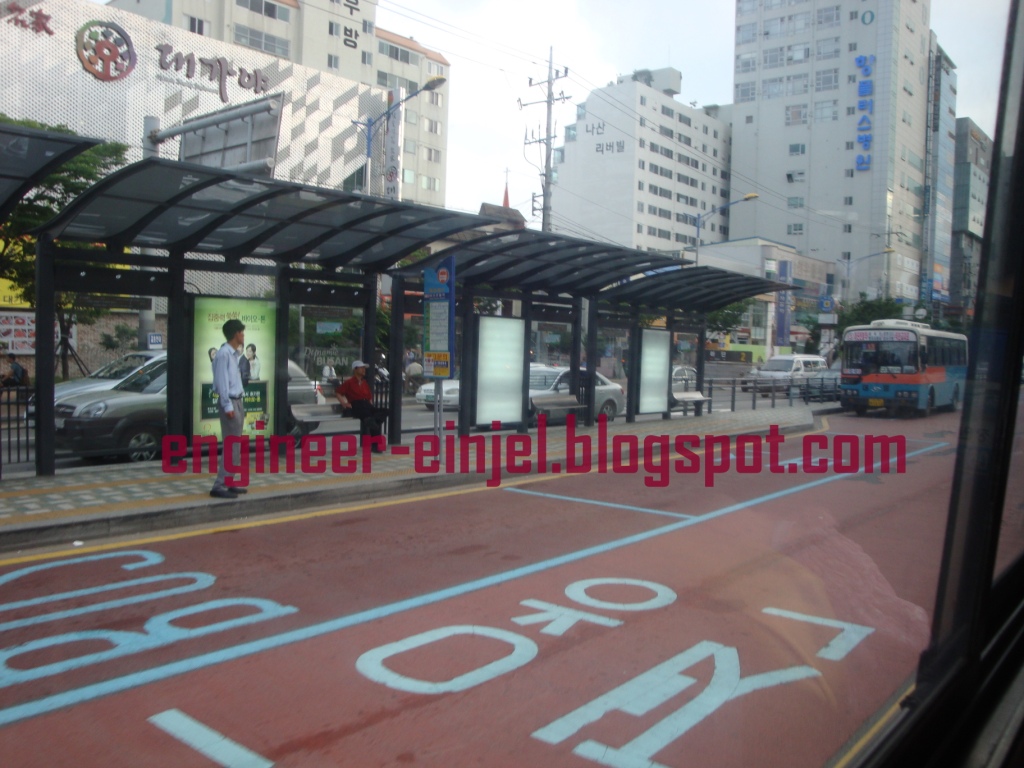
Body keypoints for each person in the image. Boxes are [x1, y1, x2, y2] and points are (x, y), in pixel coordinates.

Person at [210, 319, 249, 499]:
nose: (243, 335)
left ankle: (229, 481)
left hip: (237, 401)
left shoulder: (233, 355)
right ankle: (219, 485)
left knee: (235, 445)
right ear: (236, 334)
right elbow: (221, 382)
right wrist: (227, 405)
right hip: (230, 402)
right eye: (241, 332)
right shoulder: (224, 354)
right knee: (231, 445)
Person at [335, 360, 386, 452]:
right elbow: (338, 392)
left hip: (365, 404)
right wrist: (344, 403)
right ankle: (375, 445)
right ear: (355, 369)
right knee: (374, 421)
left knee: (382, 413)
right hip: (356, 405)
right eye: (361, 368)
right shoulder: (349, 382)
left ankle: (371, 422)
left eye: (364, 368)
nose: (363, 370)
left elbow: (369, 398)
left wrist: (371, 408)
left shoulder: (364, 383)